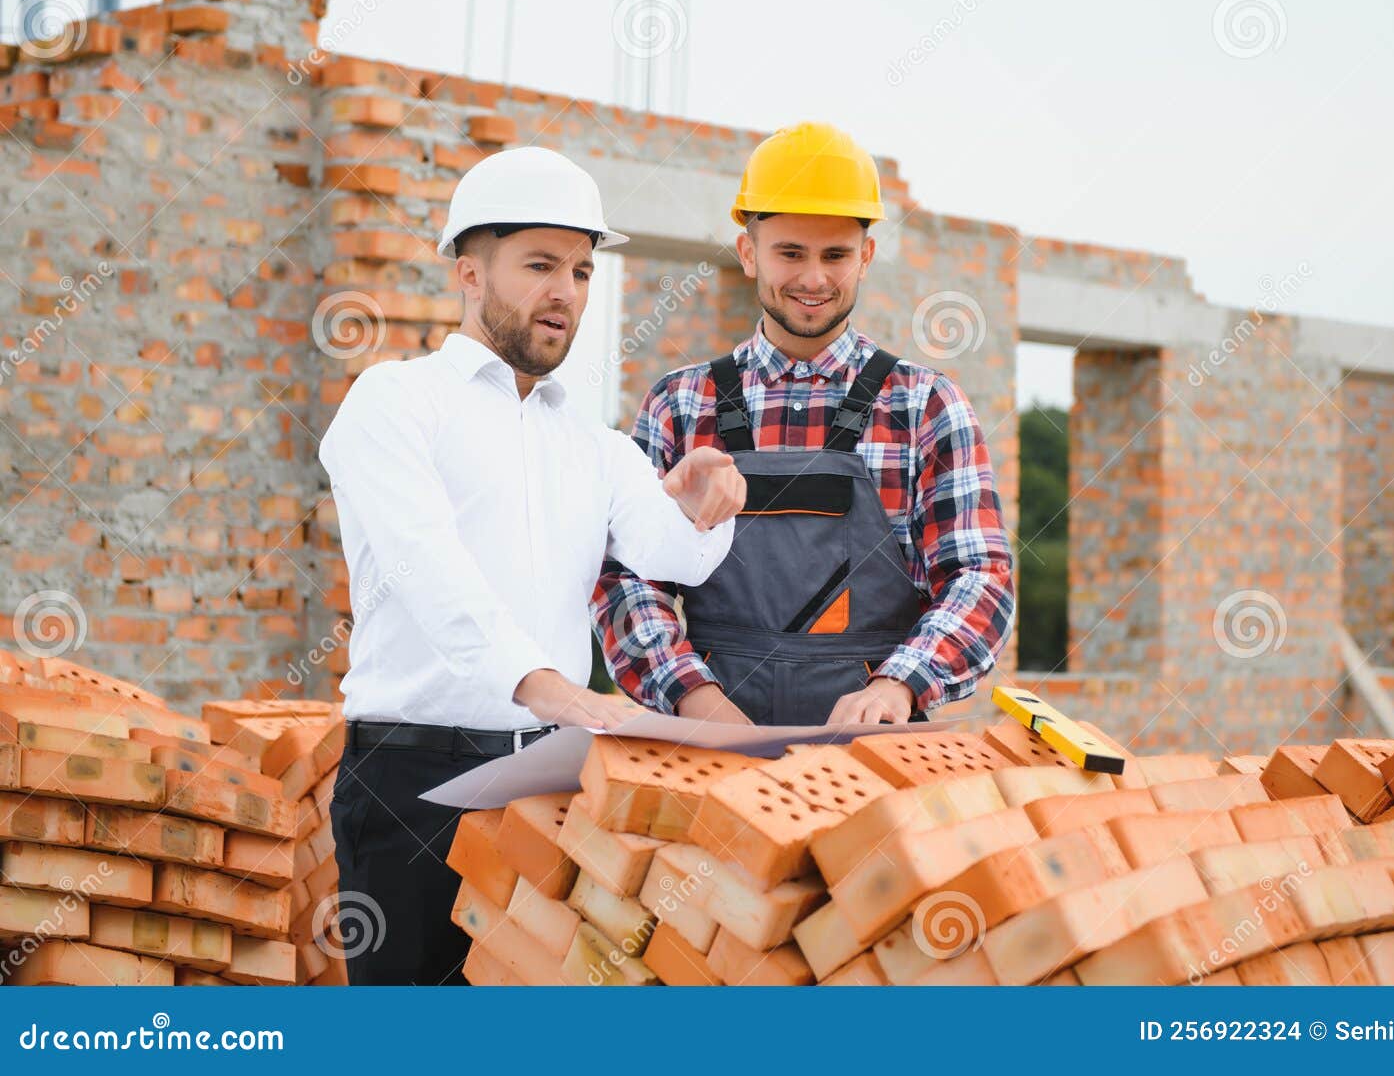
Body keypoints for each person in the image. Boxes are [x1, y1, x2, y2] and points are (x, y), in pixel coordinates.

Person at [319, 146, 745, 985]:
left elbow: (676, 558)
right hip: (415, 782)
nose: (567, 292)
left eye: (582, 271)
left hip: (549, 781)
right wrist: (555, 689)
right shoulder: (394, 401)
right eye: (540, 265)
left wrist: (705, 503)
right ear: (469, 273)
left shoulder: (592, 443)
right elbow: (430, 570)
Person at [592, 122, 1014, 728]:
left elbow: (980, 578)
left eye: (835, 255)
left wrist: (900, 685)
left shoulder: (925, 406)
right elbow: (625, 577)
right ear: (748, 253)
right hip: (710, 745)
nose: (814, 279)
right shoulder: (680, 405)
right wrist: (693, 697)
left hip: (875, 750)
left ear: (865, 257)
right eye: (790, 253)